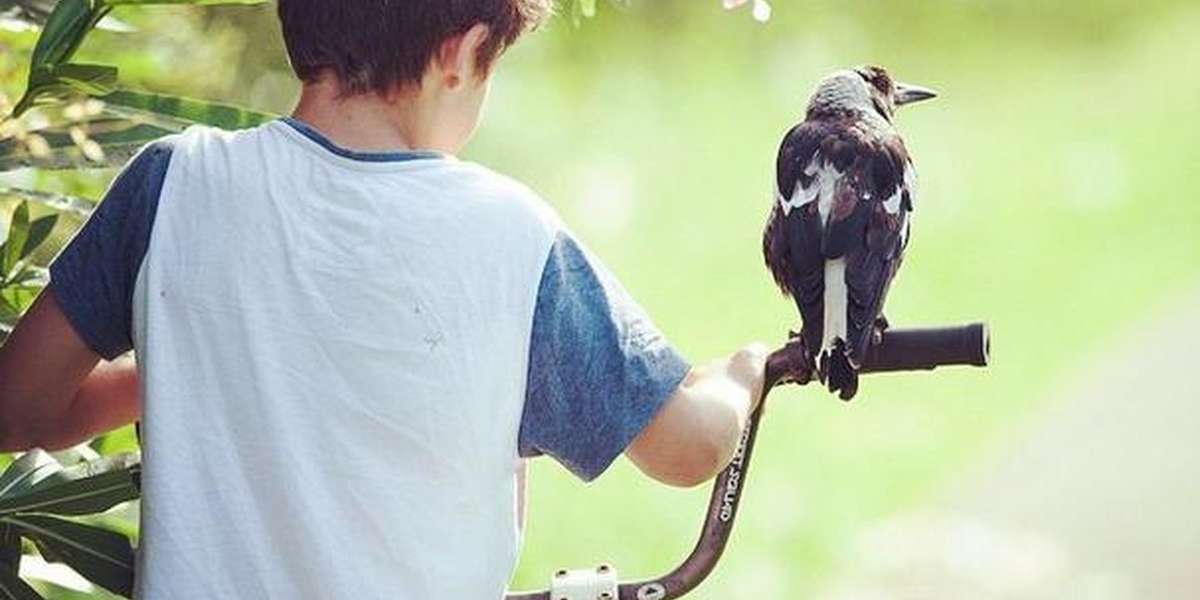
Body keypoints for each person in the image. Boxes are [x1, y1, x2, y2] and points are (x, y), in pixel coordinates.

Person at [0, 1, 777, 597]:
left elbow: (20, 411)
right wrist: (744, 372)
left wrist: (196, 369)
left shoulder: (173, 184)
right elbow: (688, 449)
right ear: (463, 52)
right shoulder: (509, 237)